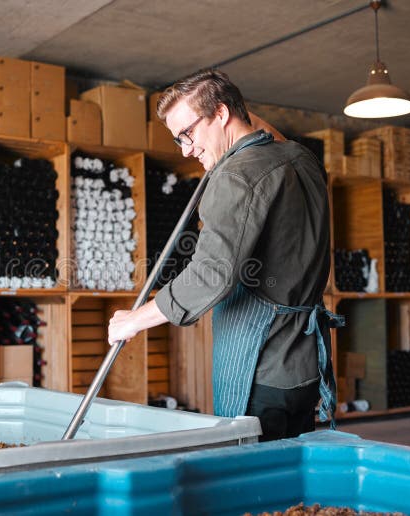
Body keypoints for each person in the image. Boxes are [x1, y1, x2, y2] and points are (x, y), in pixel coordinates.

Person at [107, 69, 343, 441]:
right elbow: (264, 135)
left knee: (250, 468)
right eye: (178, 139)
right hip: (302, 367)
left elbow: (210, 275)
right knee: (291, 467)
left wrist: (135, 319)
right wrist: (233, 117)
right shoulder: (302, 159)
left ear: (220, 114)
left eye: (187, 134)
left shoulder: (235, 176)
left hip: (259, 367)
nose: (186, 150)